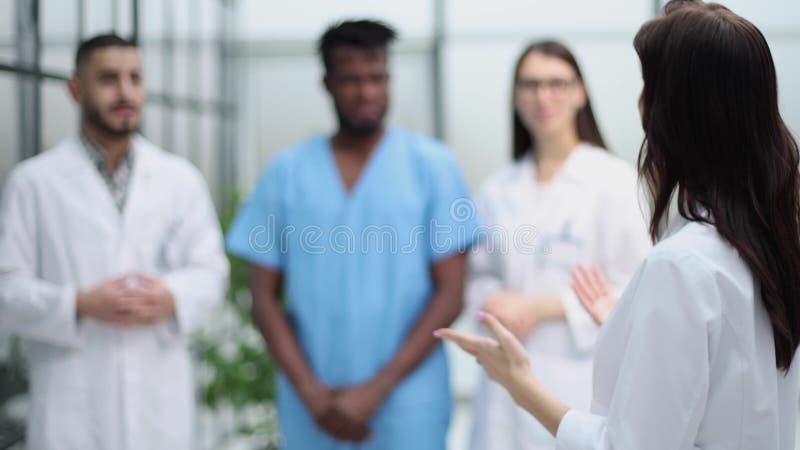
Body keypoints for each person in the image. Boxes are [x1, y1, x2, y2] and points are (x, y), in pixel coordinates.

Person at [437, 1, 800, 449]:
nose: (640, 101)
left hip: (571, 378)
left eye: (650, 86)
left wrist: (520, 384)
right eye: (529, 85)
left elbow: (626, 444)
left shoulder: (675, 254)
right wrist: (630, 325)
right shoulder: (770, 245)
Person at [225, 19, 480, 450]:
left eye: (377, 78)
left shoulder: (431, 167)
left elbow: (451, 294)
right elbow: (263, 297)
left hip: (407, 403)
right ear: (327, 83)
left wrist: (376, 390)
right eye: (351, 80)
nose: (366, 93)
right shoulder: (286, 174)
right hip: (312, 406)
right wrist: (311, 393)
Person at [0, 34, 229, 449]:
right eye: (108, 78)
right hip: (70, 409)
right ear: (75, 88)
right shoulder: (33, 183)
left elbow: (211, 270)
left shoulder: (180, 180)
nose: (126, 92)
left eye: (135, 78)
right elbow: (6, 289)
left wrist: (171, 295)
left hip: (159, 406)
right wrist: (79, 304)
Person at [464, 40, 650, 450]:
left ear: (580, 92)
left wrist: (540, 307)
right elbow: (479, 274)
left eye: (556, 83)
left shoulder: (615, 182)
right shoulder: (498, 187)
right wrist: (494, 302)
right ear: (515, 97)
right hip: (504, 383)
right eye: (529, 85)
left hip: (578, 378)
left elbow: (640, 290)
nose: (542, 97)